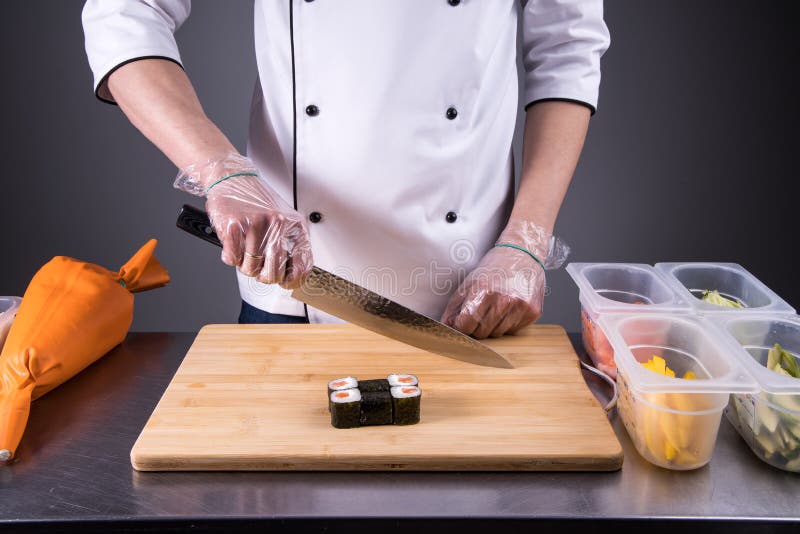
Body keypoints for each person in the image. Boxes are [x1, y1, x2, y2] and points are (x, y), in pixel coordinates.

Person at [82, 0, 609, 339]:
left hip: (476, 293)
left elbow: (567, 49)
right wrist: (220, 171)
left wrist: (527, 241)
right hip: (292, 283)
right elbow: (122, 14)